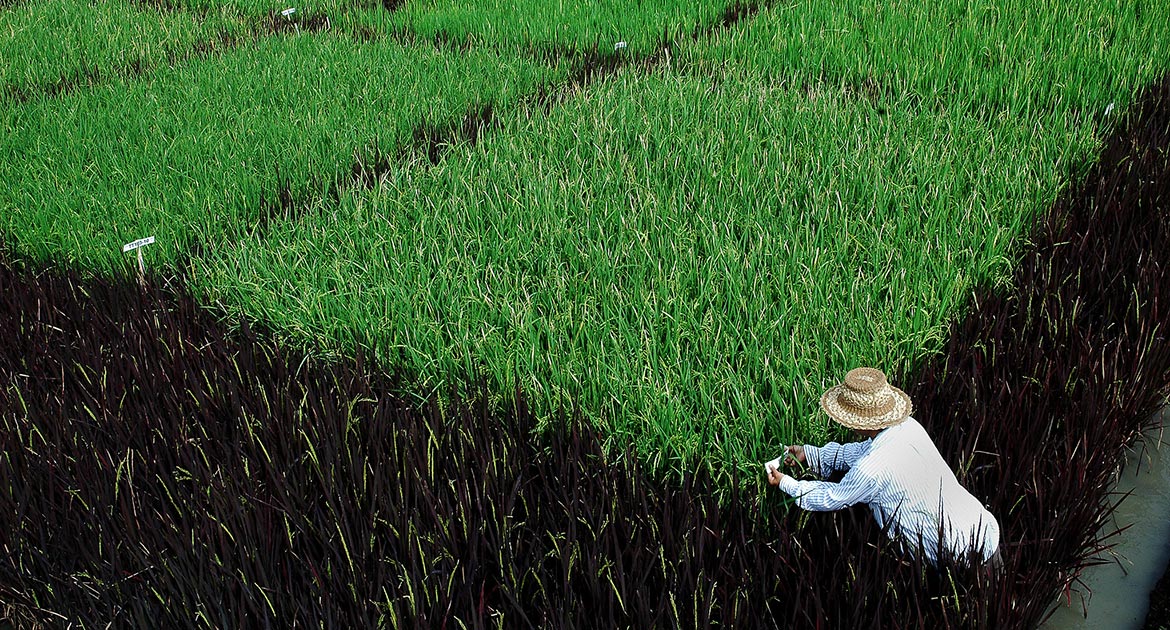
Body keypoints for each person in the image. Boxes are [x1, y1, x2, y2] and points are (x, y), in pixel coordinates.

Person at [766, 367, 1002, 570]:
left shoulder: (870, 470)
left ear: (855, 422)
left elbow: (833, 497)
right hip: (982, 527)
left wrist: (786, 483)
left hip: (958, 557)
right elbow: (861, 452)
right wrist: (809, 453)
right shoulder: (909, 427)